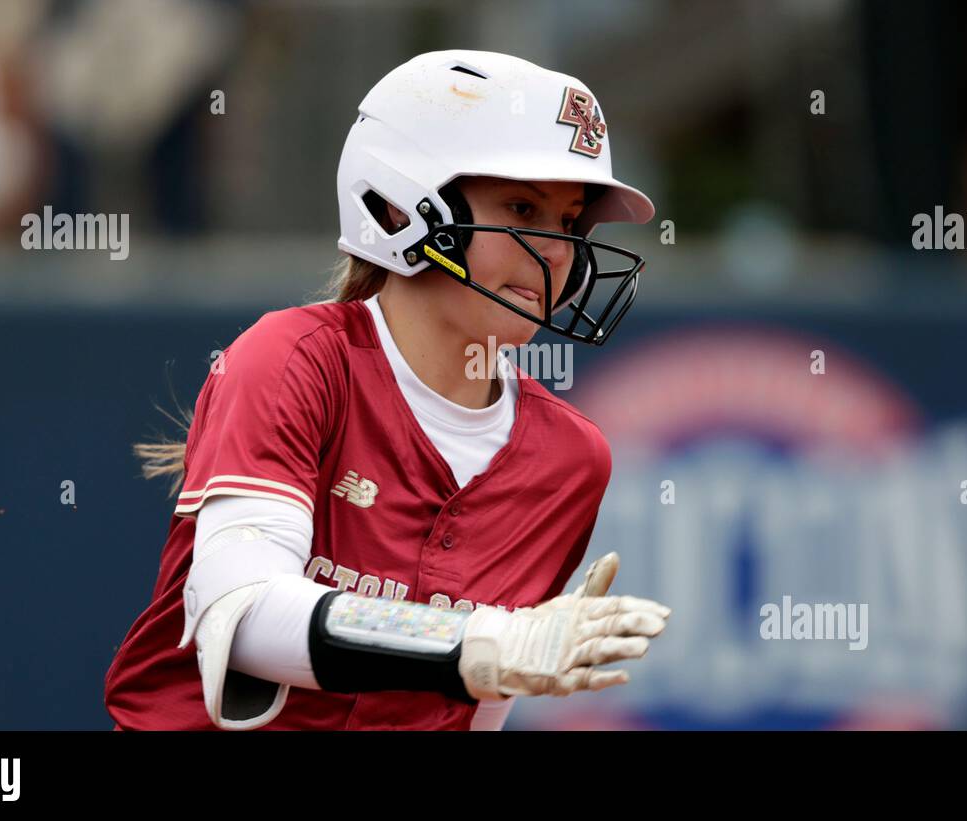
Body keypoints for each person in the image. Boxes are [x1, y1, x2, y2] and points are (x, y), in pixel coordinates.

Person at [104, 49, 670, 731]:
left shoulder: (572, 460)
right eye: (523, 206)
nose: (557, 250)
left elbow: (477, 709)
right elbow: (242, 615)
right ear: (403, 204)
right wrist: (476, 643)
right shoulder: (294, 359)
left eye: (571, 221)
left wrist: (496, 656)